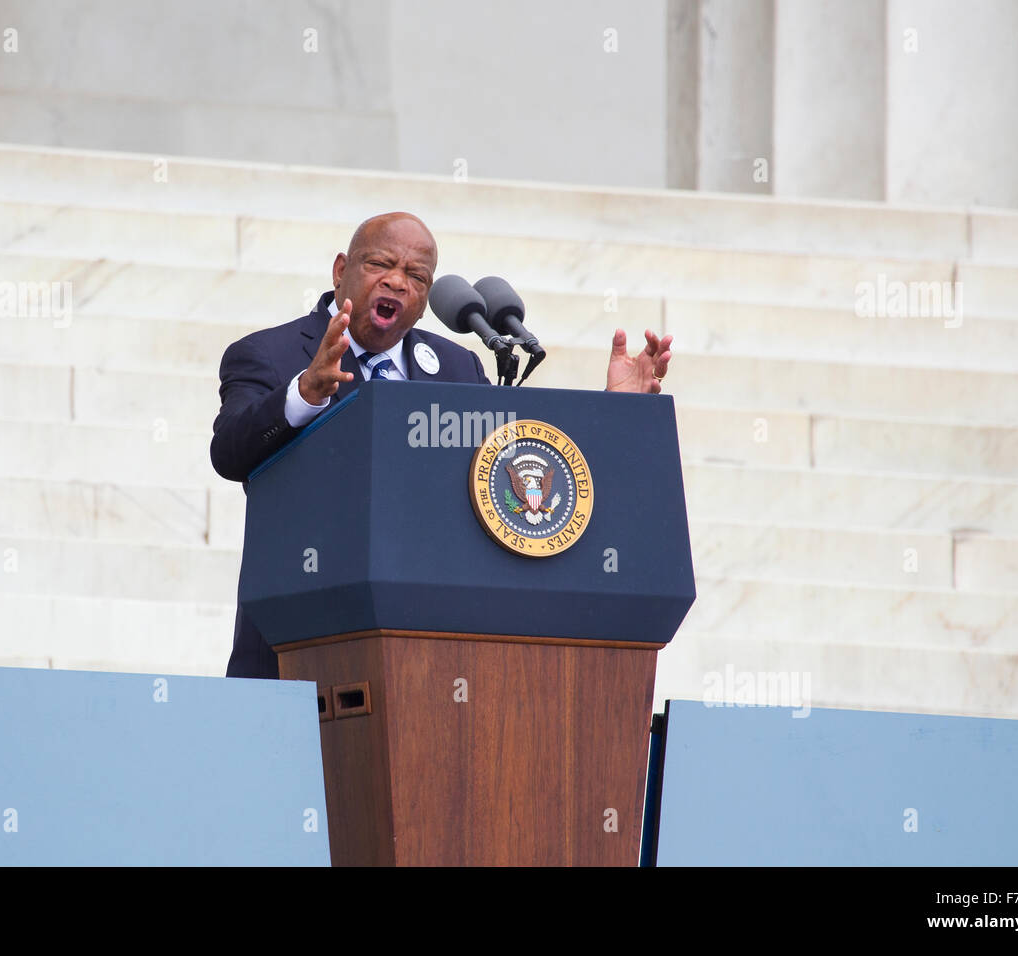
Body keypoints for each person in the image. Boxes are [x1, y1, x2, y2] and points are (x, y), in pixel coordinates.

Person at [211, 212, 672, 678]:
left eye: (416, 276)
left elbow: (515, 486)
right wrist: (304, 392)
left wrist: (619, 416)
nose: (397, 282)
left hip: (431, 663)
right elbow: (230, 453)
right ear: (339, 270)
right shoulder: (270, 354)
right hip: (298, 647)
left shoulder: (458, 368)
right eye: (380, 264)